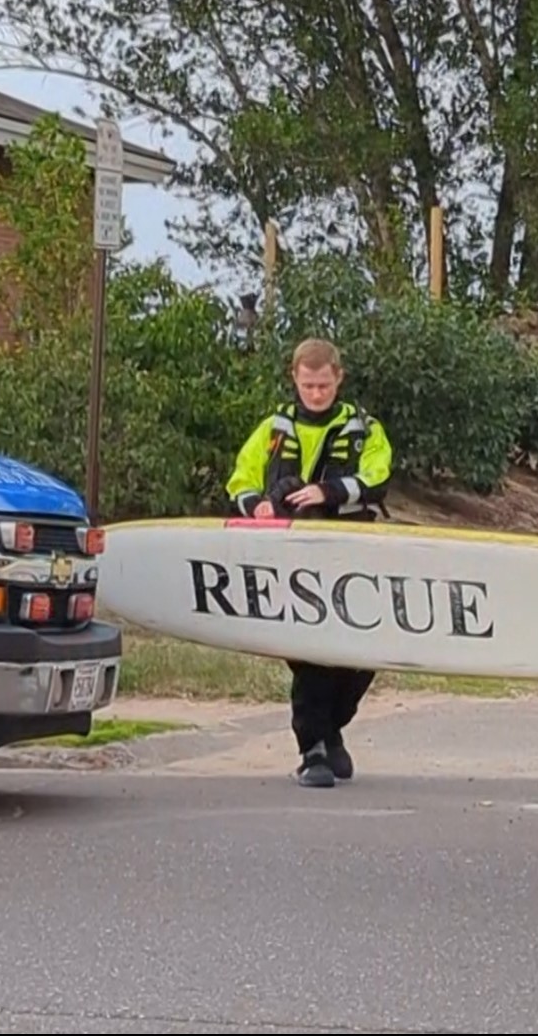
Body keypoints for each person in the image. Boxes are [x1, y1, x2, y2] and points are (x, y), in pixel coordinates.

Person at [226, 337, 395, 789]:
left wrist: (328, 492)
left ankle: (331, 732)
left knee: (362, 656)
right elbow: (240, 478)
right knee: (310, 655)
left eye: (323, 385)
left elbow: (377, 475)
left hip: (351, 554)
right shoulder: (273, 428)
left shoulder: (365, 428)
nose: (316, 394)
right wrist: (257, 506)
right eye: (308, 385)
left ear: (338, 379)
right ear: (295, 380)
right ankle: (314, 751)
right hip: (293, 560)